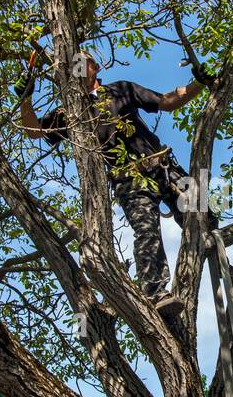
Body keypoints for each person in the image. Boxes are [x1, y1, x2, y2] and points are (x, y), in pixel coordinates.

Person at [20, 48, 206, 315]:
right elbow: (34, 131)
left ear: (96, 67)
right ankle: (156, 293)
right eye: (74, 65)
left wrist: (198, 83)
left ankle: (221, 261)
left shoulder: (121, 90)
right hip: (128, 180)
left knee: (203, 217)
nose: (80, 68)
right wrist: (26, 98)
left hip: (162, 165)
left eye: (84, 63)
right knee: (146, 230)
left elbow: (167, 101)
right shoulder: (71, 112)